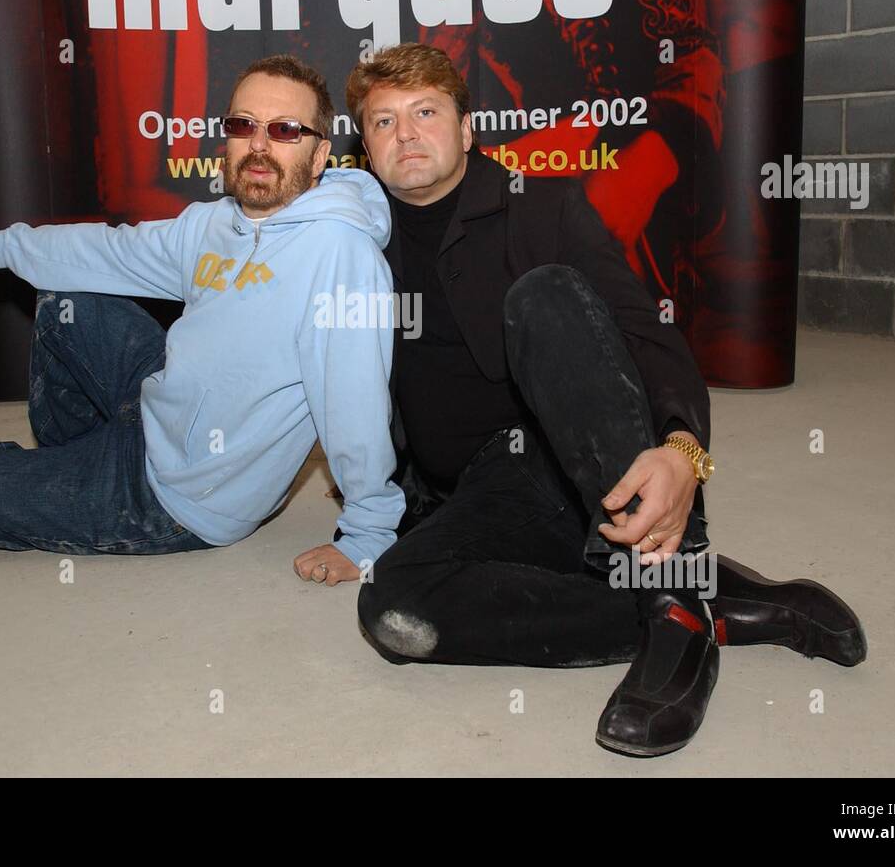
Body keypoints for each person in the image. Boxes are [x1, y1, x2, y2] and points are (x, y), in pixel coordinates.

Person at [346, 43, 865, 757]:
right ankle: (689, 599)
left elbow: (645, 336)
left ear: (467, 129)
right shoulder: (350, 241)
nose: (405, 134)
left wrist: (685, 452)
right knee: (395, 608)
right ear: (364, 147)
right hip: (475, 497)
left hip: (575, 464)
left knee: (544, 297)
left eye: (425, 112)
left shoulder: (544, 207)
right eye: (383, 122)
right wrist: (363, 521)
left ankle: (676, 621)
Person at [0, 55, 402, 583]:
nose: (260, 145)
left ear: (318, 157)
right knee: (70, 295)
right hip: (157, 410)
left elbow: (354, 398)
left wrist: (367, 534)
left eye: (286, 130)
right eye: (244, 126)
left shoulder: (339, 253)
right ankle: (76, 461)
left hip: (185, 494)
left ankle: (82, 477)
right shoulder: (213, 223)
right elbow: (107, 251)